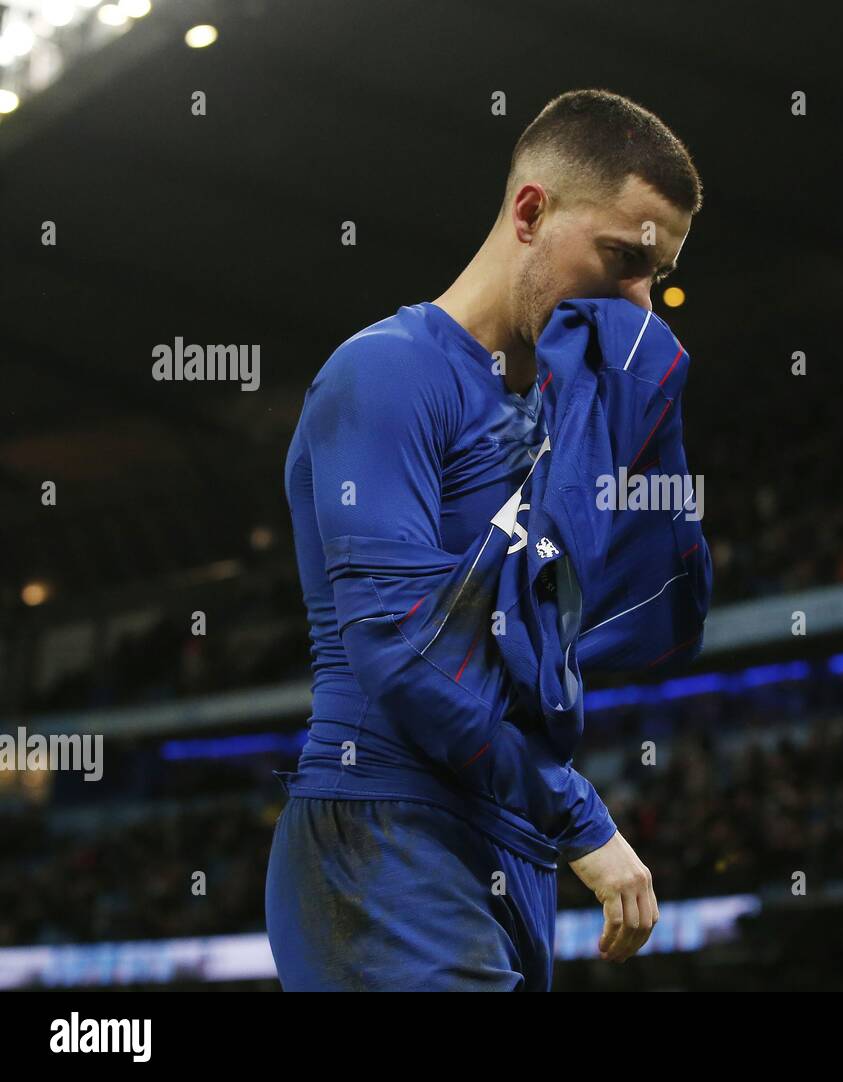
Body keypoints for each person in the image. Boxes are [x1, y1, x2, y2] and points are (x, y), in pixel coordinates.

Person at [266, 88, 704, 990]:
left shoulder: (557, 417)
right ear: (532, 211)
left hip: (507, 843)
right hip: (384, 825)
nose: (637, 304)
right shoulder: (386, 373)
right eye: (622, 260)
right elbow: (399, 650)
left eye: (652, 278)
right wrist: (583, 818)